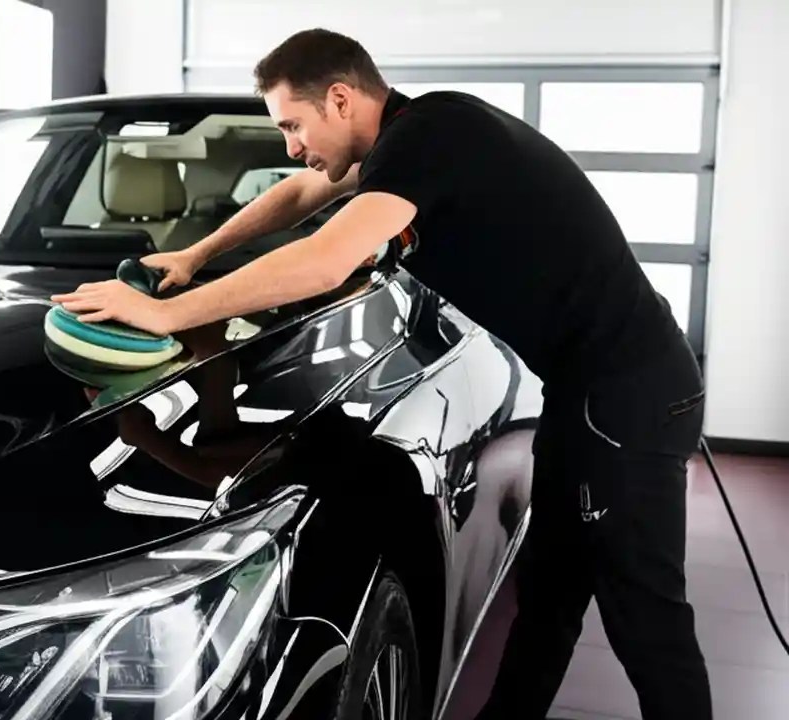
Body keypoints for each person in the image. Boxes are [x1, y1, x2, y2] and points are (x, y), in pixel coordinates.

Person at [51, 27, 712, 720]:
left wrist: (166, 315)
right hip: (591, 392)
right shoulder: (411, 139)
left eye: (292, 125)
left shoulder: (431, 137)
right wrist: (196, 253)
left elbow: (324, 261)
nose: (291, 147)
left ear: (340, 99)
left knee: (646, 620)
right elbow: (305, 193)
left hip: (627, 395)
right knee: (549, 599)